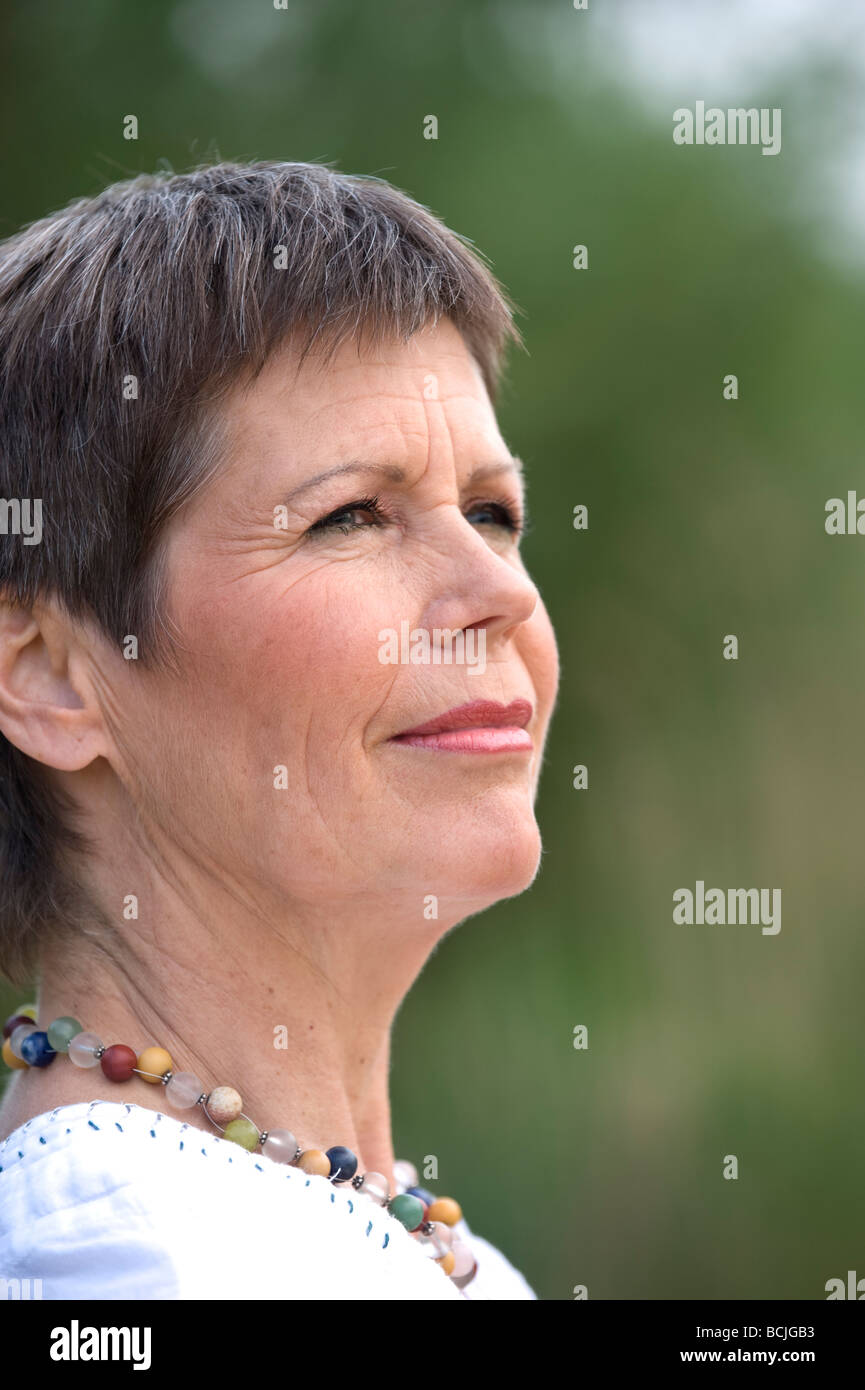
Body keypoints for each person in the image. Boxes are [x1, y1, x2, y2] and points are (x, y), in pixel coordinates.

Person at [0, 161, 559, 1299]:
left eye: (493, 514)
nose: (499, 593)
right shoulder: (117, 1268)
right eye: (350, 515)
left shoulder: (382, 1244)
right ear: (52, 677)